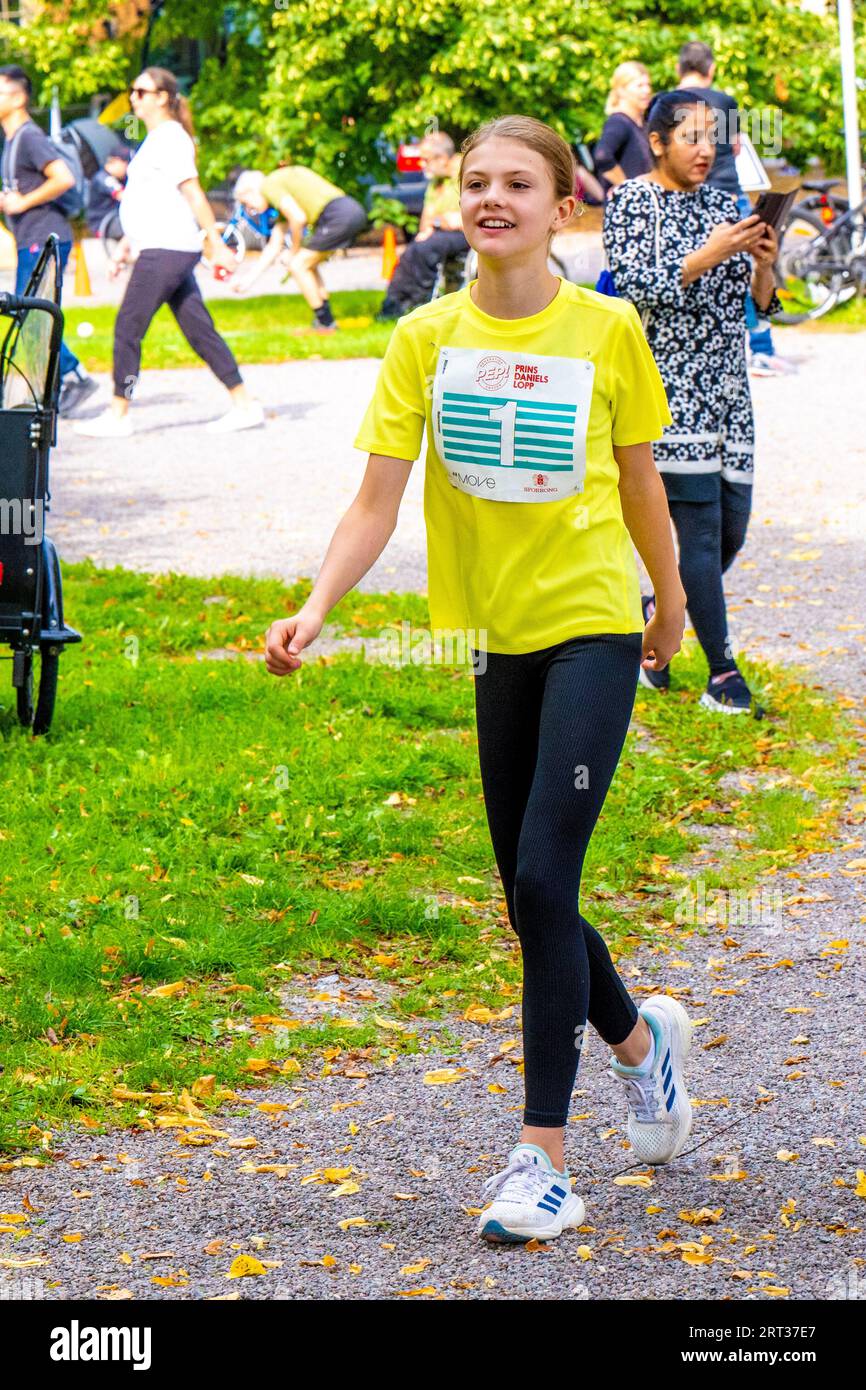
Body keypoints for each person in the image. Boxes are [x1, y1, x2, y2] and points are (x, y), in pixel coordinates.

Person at [263, 114, 696, 1245]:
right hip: (496, 639)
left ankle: (541, 1161)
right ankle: (644, 1047)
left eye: (517, 183)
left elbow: (640, 479)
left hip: (595, 624)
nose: (491, 197)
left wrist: (673, 605)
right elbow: (374, 501)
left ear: (562, 206)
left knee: (545, 878)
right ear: (455, 200)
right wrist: (315, 608)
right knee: (526, 895)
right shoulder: (423, 337)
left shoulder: (605, 327)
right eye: (475, 181)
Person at [603, 90, 781, 714]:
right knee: (701, 534)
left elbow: (756, 305)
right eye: (693, 138)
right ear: (657, 142)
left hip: (730, 391)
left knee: (731, 530)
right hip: (668, 392)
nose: (707, 151)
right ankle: (723, 674)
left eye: (714, 139)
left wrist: (762, 264)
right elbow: (639, 286)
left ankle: (659, 609)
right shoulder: (632, 202)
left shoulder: (723, 205)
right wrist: (713, 251)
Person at [74, 67, 263, 438]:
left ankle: (118, 413)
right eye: (133, 91)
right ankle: (245, 404)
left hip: (167, 251)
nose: (133, 97)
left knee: (128, 327)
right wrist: (128, 244)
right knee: (199, 330)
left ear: (162, 96)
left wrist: (216, 241)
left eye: (140, 91)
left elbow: (193, 192)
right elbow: (149, 200)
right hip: (164, 246)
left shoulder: (171, 138)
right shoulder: (156, 138)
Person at [676, 40, 795, 378]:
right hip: (728, 194)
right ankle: (761, 349)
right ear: (710, 69)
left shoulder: (665, 103)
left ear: (679, 69)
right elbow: (736, 147)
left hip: (685, 197)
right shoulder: (723, 101)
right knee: (746, 270)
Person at [0, 64, 97, 417]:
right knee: (29, 315)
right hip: (30, 236)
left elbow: (64, 177)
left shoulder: (29, 137)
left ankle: (75, 376)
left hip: (44, 236)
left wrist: (23, 202)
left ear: (19, 97)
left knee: (32, 314)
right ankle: (52, 392)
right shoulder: (12, 140)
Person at [230, 165, 368, 330]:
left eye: (247, 203)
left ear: (251, 191)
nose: (249, 209)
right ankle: (325, 319)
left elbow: (298, 218)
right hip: (348, 210)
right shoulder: (280, 193)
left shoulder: (268, 186)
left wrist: (293, 252)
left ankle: (325, 323)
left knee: (298, 265)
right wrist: (248, 280)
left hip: (337, 215)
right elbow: (274, 245)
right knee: (308, 265)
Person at [376, 132, 468, 320]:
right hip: (442, 233)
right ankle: (393, 304)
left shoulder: (467, 172)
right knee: (413, 250)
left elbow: (462, 219)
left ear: (442, 159)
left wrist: (443, 220)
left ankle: (417, 302)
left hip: (468, 233)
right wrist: (439, 221)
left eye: (426, 160)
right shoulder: (436, 182)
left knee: (426, 248)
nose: (422, 165)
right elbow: (427, 221)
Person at [594, 60, 653, 194]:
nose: (647, 90)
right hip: (625, 209)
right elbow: (602, 156)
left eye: (648, 85)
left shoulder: (642, 123)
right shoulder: (619, 122)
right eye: (640, 86)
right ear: (621, 90)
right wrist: (627, 187)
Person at [85, 144, 130, 240]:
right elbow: (123, 196)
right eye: (126, 164)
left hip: (115, 221)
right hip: (103, 224)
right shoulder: (103, 178)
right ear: (116, 161)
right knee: (134, 227)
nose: (127, 169)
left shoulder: (119, 179)